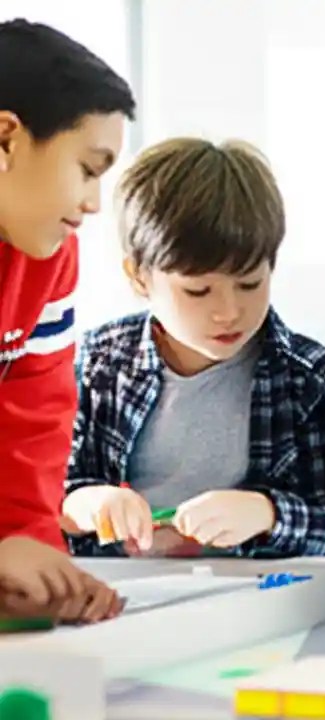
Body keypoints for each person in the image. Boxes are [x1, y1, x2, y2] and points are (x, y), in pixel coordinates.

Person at [61, 138, 325, 558]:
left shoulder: (312, 378)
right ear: (139, 277)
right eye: (198, 291)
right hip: (122, 599)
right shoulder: (98, 364)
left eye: (250, 284)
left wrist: (269, 514)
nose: (228, 311)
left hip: (266, 603)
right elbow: (50, 497)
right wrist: (93, 505)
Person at [0, 18, 133, 621]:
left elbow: (34, 418)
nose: (93, 204)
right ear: (7, 140)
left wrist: (34, 560)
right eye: (87, 169)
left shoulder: (49, 256)